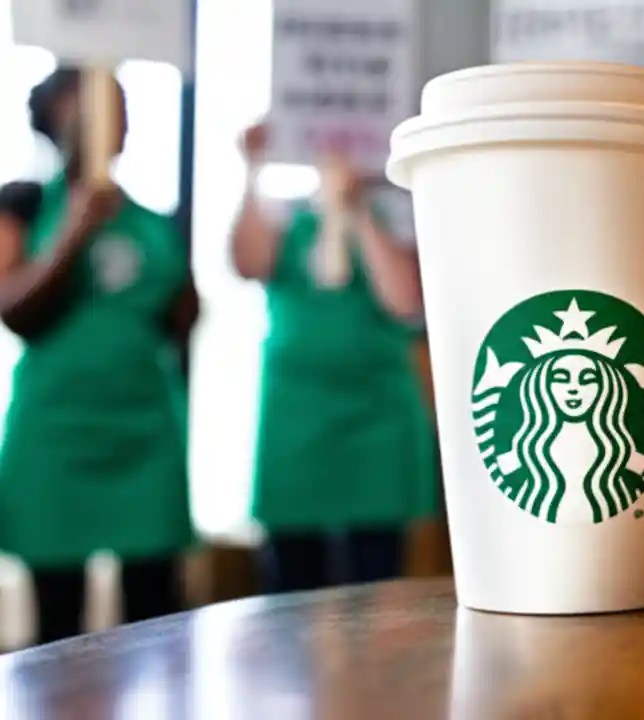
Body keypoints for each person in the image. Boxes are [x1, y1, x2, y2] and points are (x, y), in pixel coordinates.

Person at [0, 68, 197, 643]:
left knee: (156, 617)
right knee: (59, 620)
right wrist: (74, 230)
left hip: (144, 435)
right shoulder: (26, 204)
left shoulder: (154, 219)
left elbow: (180, 320)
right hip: (55, 437)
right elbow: (14, 310)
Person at [232, 125, 438, 593]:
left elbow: (405, 300)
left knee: (377, 584)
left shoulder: (399, 214)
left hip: (376, 420)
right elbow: (247, 263)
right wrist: (253, 168)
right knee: (289, 585)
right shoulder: (284, 216)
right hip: (296, 417)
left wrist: (358, 208)